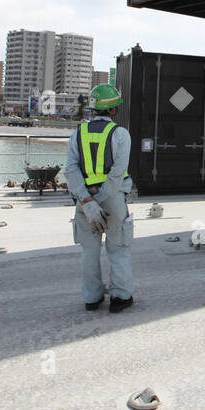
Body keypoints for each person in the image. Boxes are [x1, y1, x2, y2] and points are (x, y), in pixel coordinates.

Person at [62, 84, 134, 313]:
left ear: (93, 109)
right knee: (118, 248)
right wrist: (101, 198)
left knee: (89, 251)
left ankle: (92, 299)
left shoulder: (77, 134)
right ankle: (120, 297)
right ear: (113, 110)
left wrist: (87, 201)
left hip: (84, 201)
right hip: (113, 198)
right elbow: (117, 174)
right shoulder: (120, 134)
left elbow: (70, 170)